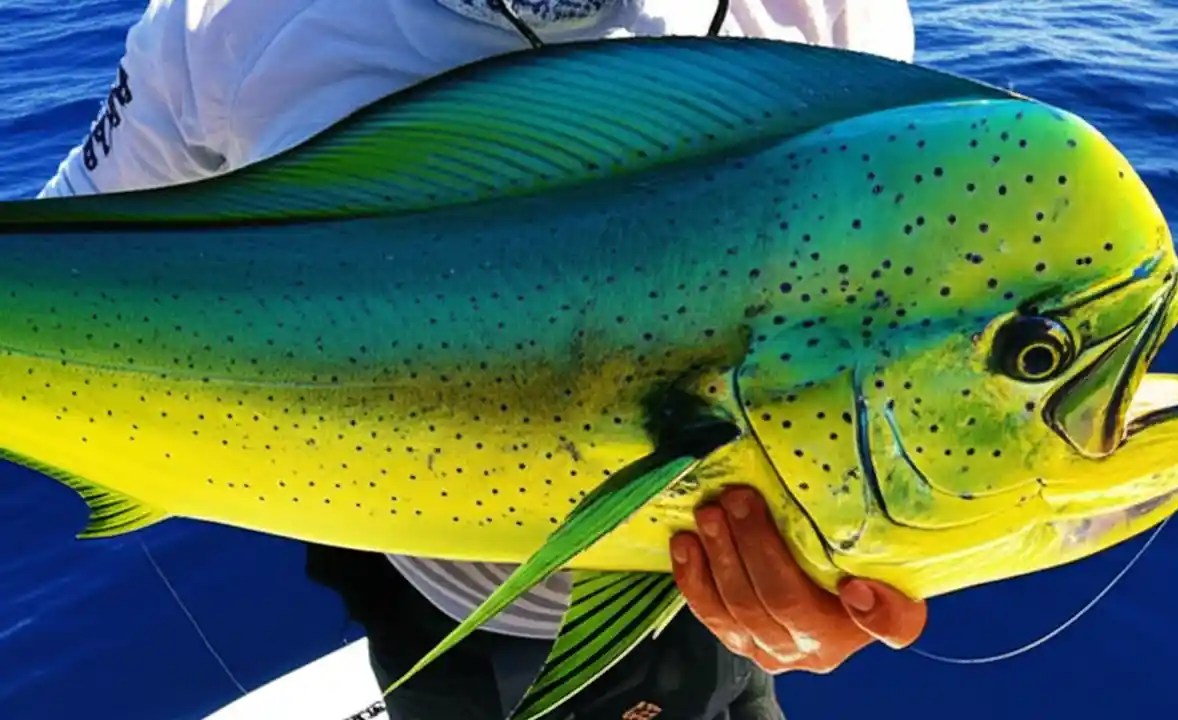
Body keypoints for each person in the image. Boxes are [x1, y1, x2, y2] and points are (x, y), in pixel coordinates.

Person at [39, 2, 928, 718]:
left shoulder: (830, 15)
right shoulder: (226, 25)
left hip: (705, 595)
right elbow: (55, 274)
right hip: (437, 609)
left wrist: (855, 575)